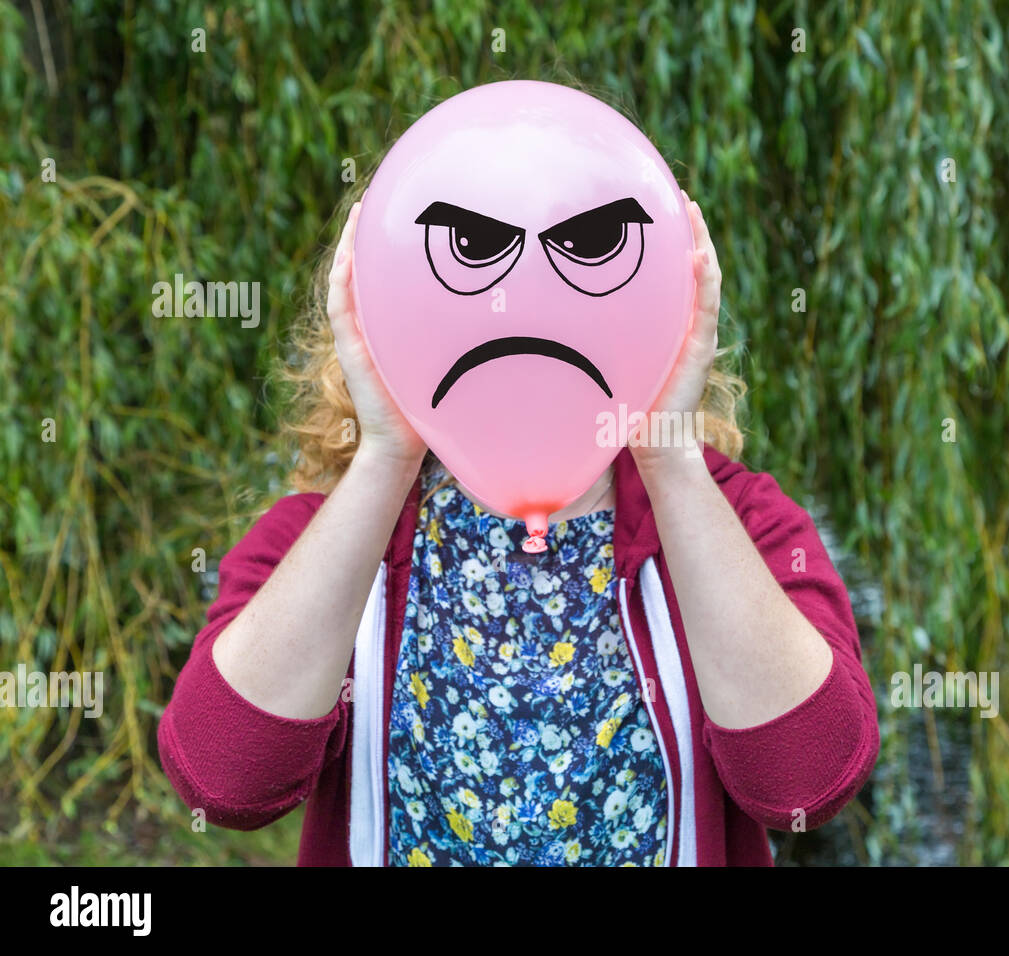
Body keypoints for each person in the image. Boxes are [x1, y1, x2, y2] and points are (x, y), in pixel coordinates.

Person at [158, 161, 879, 868]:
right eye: (475, 257)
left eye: (585, 256)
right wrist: (386, 452)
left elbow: (804, 785)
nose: (527, 305)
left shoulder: (742, 524)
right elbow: (226, 782)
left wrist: (669, 455)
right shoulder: (323, 542)